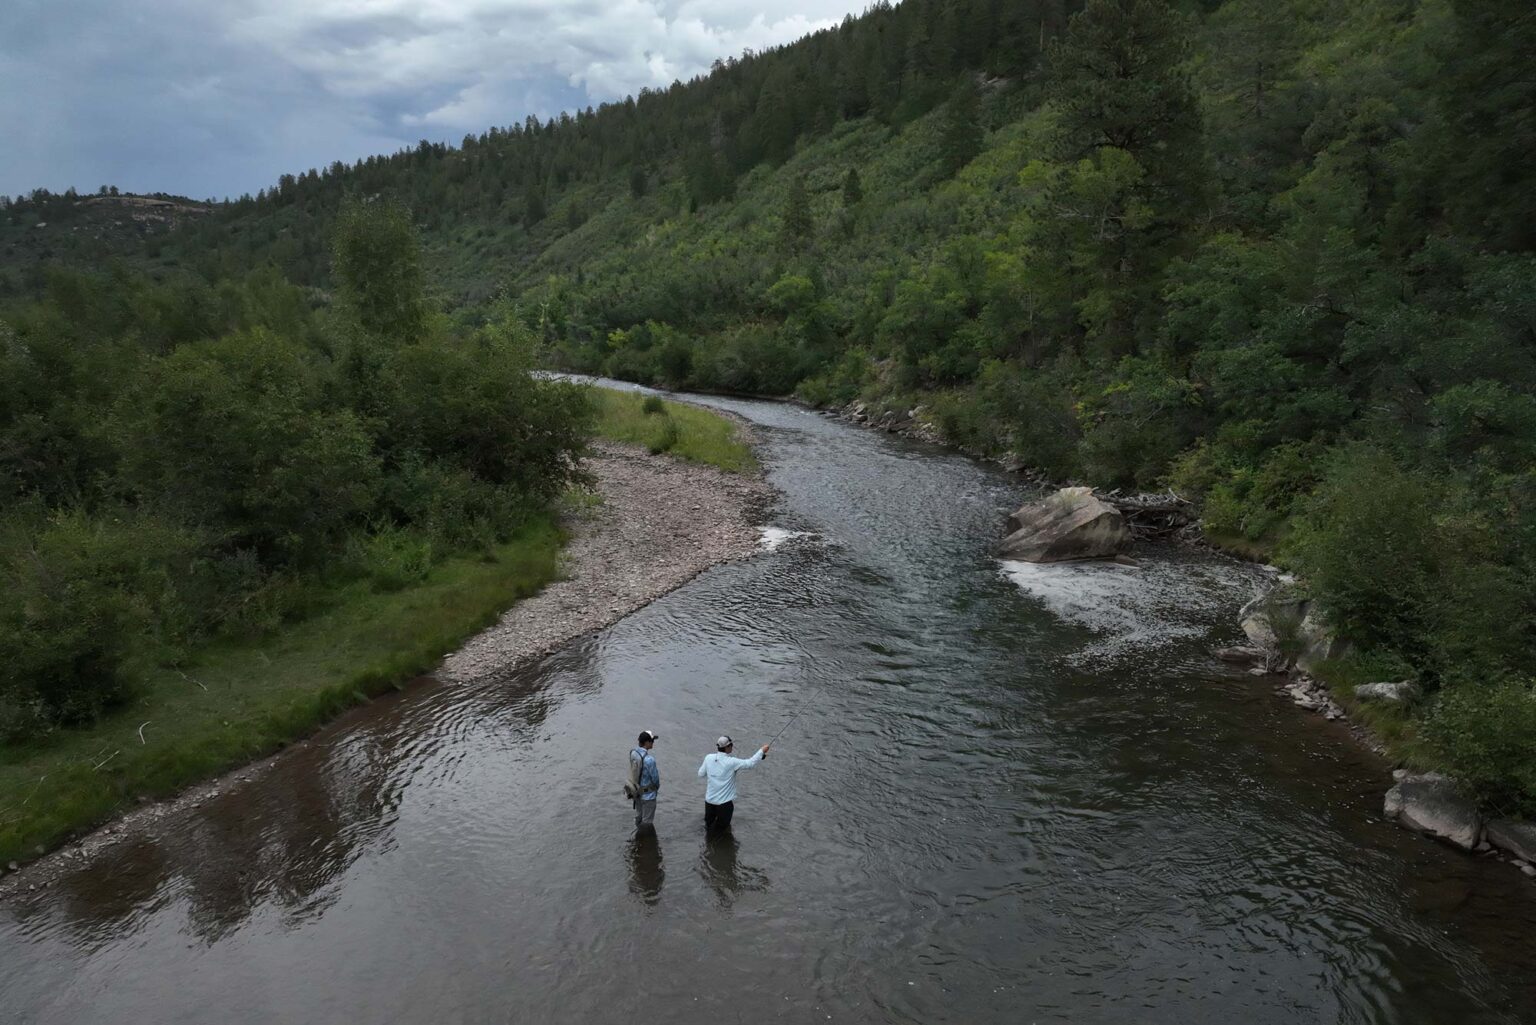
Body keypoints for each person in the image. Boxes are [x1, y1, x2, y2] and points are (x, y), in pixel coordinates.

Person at [697, 735, 768, 831]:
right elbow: (750, 763)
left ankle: (708, 844)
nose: (732, 746)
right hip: (724, 805)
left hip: (709, 802)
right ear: (727, 747)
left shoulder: (708, 758)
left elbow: (701, 774)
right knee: (721, 831)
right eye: (731, 745)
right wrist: (761, 751)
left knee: (708, 828)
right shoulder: (732, 762)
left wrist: (713, 772)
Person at [629, 730, 660, 832]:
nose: (652, 743)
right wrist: (656, 788)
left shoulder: (633, 753)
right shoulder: (650, 760)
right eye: (651, 741)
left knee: (639, 816)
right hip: (648, 796)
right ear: (646, 742)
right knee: (647, 822)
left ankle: (636, 836)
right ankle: (644, 841)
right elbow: (655, 780)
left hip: (636, 792)